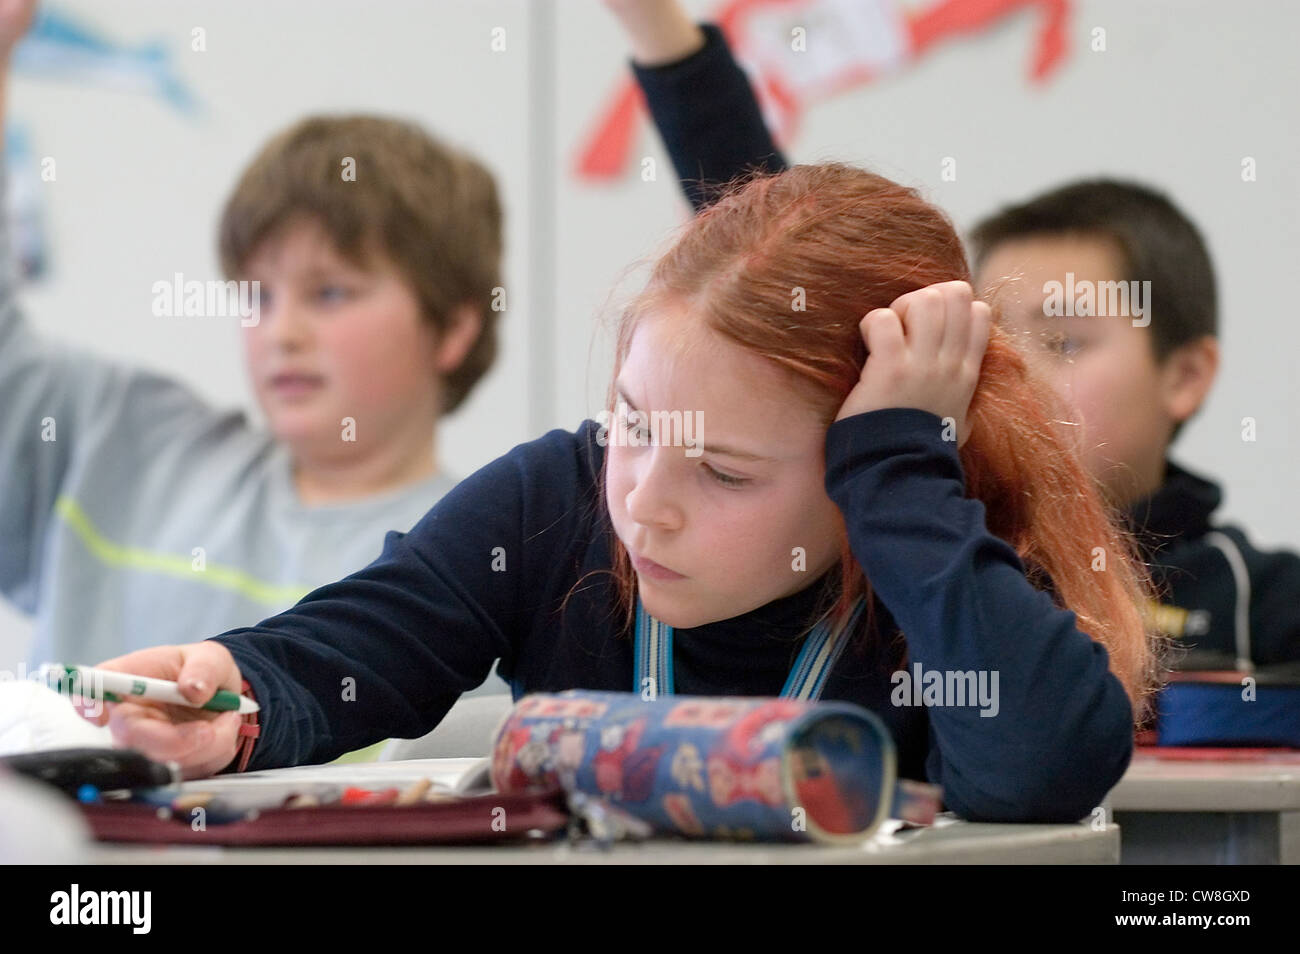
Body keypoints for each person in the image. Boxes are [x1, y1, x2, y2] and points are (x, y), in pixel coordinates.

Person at [87, 162, 1157, 823]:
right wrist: (225, 699)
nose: (643, 502)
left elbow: (1042, 769)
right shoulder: (551, 503)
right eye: (636, 425)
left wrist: (900, 473)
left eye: (725, 471)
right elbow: (347, 656)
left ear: (864, 473)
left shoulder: (931, 570)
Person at [604, 0, 1300, 674]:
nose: (1012, 371)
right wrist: (657, 28)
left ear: (1185, 374)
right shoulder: (928, 550)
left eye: (1064, 342)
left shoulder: (1262, 599)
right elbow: (778, 260)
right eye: (989, 340)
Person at [0, 1, 510, 696]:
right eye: (258, 296)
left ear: (453, 329)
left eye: (330, 293)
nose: (281, 332)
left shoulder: (476, 569)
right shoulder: (120, 437)